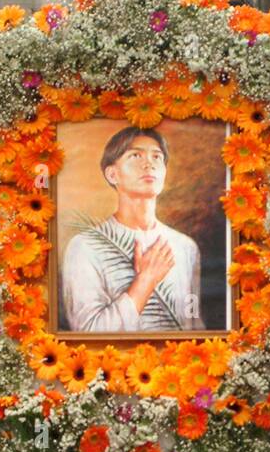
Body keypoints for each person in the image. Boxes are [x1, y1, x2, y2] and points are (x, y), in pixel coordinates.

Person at [61, 126, 204, 334]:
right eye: (136, 155)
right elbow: (88, 333)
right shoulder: (85, 247)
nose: (149, 164)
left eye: (157, 157)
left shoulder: (185, 247)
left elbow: (194, 326)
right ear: (112, 174)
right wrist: (145, 282)